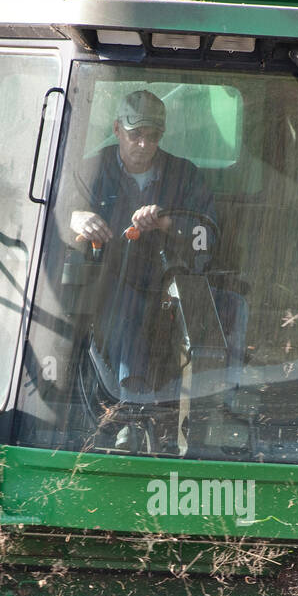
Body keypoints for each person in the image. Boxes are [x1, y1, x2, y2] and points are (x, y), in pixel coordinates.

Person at [63, 90, 217, 400]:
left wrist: (166, 223)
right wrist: (76, 218)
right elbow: (49, 218)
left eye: (153, 135)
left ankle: (209, 402)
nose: (144, 144)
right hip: (108, 279)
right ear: (117, 129)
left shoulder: (184, 174)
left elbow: (209, 234)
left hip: (172, 281)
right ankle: (132, 401)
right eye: (135, 134)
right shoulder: (89, 171)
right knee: (126, 310)